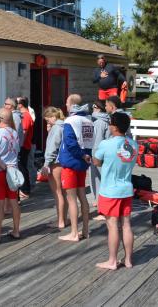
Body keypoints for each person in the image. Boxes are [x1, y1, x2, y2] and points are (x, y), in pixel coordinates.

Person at [93, 112, 137, 270]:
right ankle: (128, 260)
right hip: (126, 188)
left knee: (112, 226)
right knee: (126, 225)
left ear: (115, 127)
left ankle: (112, 261)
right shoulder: (133, 144)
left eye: (110, 123)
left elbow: (97, 161)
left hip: (110, 190)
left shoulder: (106, 144)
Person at [58, 94, 94, 242]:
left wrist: (80, 154)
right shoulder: (88, 120)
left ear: (71, 105)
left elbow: (70, 144)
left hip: (71, 162)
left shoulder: (70, 121)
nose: (65, 105)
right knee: (82, 197)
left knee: (71, 199)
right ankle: (85, 230)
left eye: (66, 103)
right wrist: (85, 156)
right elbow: (90, 142)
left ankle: (74, 233)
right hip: (83, 163)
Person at [0, 107, 21, 242]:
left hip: (0, 171)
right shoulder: (15, 133)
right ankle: (16, 230)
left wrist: (4, 167)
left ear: (0, 120)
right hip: (13, 170)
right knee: (13, 202)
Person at [43, 106, 68, 229]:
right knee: (63, 193)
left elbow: (52, 148)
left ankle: (60, 221)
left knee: (57, 193)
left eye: (48, 120)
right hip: (64, 162)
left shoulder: (56, 128)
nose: (47, 123)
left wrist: (46, 164)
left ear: (53, 117)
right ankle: (64, 218)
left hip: (56, 163)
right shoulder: (65, 125)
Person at [90, 99, 111, 218]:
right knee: (103, 178)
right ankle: (100, 200)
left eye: (94, 107)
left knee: (97, 179)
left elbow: (97, 142)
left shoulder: (99, 122)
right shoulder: (107, 120)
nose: (92, 109)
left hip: (98, 154)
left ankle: (99, 201)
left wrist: (95, 156)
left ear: (98, 109)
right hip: (107, 153)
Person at [16, 97, 34, 200]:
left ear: (20, 105)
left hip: (23, 146)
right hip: (23, 145)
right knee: (22, 166)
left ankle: (25, 190)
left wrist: (19, 146)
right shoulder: (25, 115)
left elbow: (24, 132)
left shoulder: (26, 116)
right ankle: (25, 189)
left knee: (22, 167)